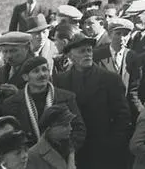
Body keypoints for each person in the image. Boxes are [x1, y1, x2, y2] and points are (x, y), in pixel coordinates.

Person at [53, 32, 132, 169]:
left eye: (89, 50)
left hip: (103, 149)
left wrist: (112, 144)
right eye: (82, 51)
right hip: (74, 148)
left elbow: (123, 116)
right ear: (70, 55)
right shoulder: (61, 80)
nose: (87, 54)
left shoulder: (110, 79)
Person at [1, 57, 86, 149]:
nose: (42, 74)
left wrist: (67, 152)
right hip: (27, 157)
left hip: (59, 155)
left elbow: (78, 129)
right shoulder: (12, 103)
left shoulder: (66, 97)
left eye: (45, 70)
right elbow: (10, 136)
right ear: (25, 77)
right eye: (36, 71)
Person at [26, 104, 79, 169]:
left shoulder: (69, 148)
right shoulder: (32, 155)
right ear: (49, 128)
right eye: (65, 125)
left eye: (69, 124)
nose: (70, 128)